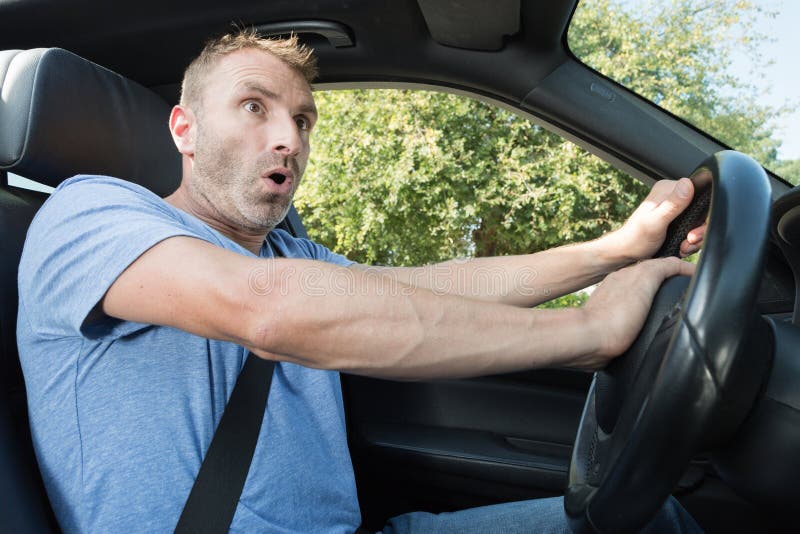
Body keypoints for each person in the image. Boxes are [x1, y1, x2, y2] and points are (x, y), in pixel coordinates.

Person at [17, 30, 705, 533]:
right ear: (185, 128)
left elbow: (438, 290)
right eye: (255, 107)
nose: (288, 137)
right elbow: (270, 313)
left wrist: (614, 251)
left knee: (651, 519)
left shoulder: (291, 256)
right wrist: (586, 332)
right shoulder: (91, 213)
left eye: (302, 119)